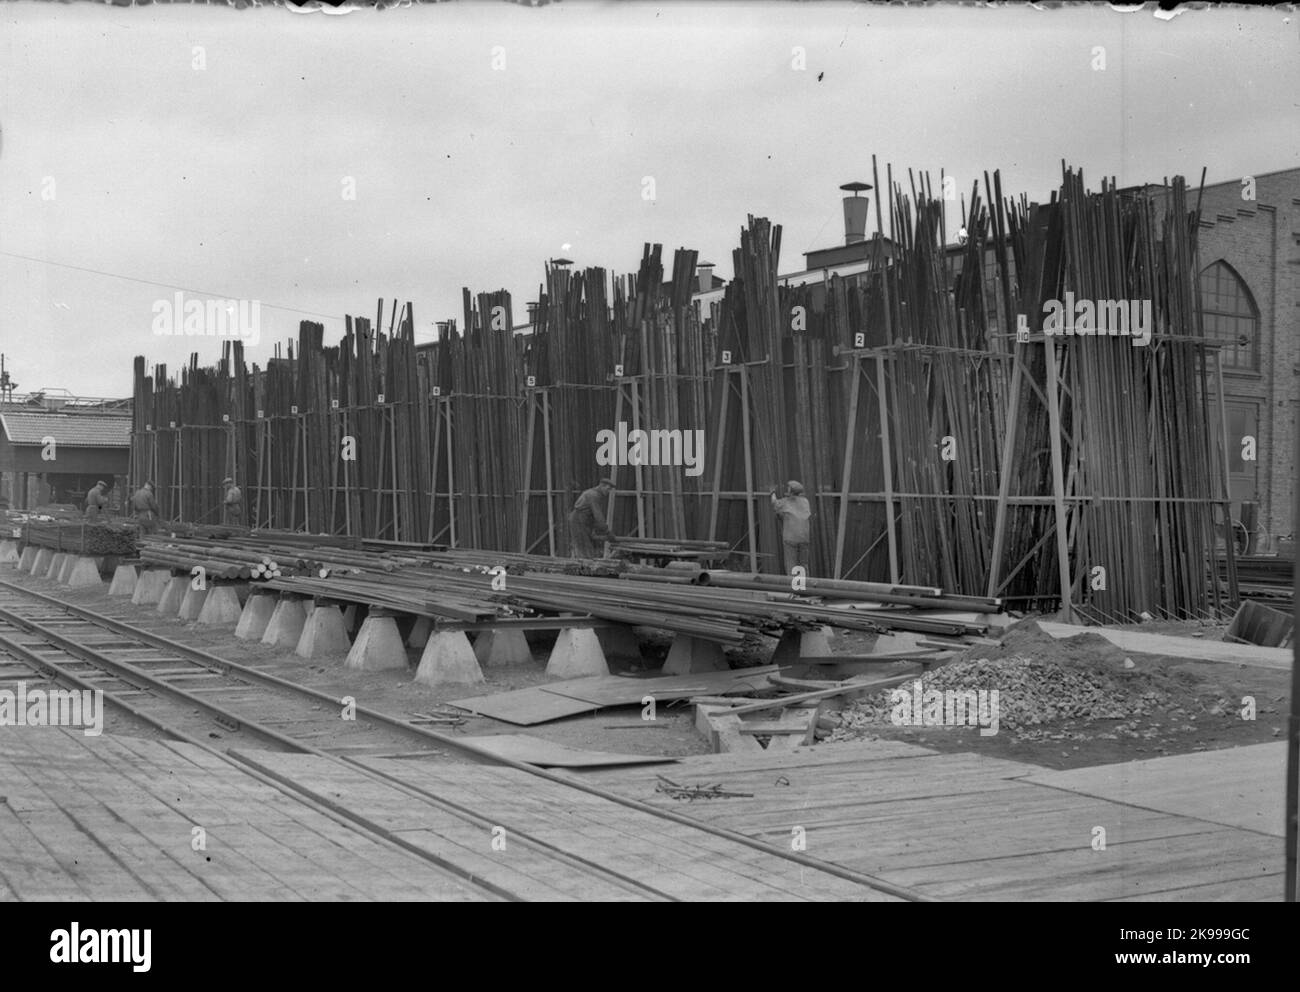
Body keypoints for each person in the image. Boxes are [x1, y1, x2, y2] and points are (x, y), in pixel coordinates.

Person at [569, 478, 616, 558]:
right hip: (578, 521)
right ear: (602, 486)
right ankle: (585, 567)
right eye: (608, 489)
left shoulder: (594, 494)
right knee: (584, 549)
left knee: (584, 547)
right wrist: (607, 532)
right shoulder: (593, 495)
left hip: (583, 520)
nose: (608, 492)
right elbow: (598, 515)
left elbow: (593, 516)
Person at [771, 480, 811, 573]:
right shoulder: (805, 502)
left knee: (791, 564)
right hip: (804, 538)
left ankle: (793, 586)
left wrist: (772, 492)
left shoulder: (786, 502)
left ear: (790, 491)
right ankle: (805, 585)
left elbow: (774, 503)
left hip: (791, 538)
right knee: (804, 564)